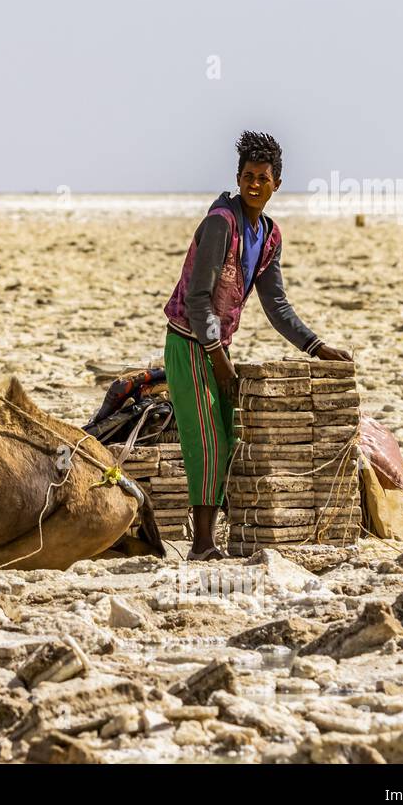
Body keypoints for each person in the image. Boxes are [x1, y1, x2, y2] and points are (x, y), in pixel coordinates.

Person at [162, 131, 352, 560]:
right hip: (189, 343)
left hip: (216, 348)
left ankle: (220, 536)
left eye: (262, 178)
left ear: (276, 184)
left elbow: (276, 304)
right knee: (208, 439)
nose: (254, 184)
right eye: (247, 176)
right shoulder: (220, 224)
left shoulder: (266, 235)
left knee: (231, 435)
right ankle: (202, 544)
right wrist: (218, 359)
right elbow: (196, 298)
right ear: (238, 177)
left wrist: (316, 347)